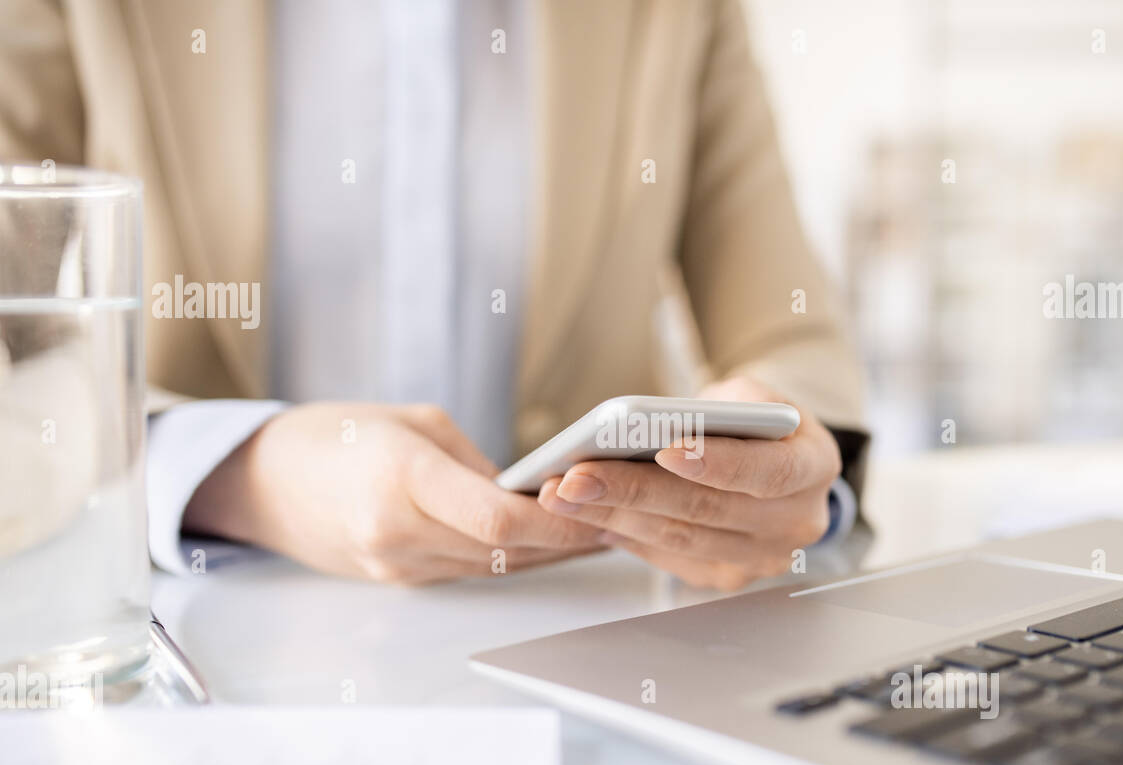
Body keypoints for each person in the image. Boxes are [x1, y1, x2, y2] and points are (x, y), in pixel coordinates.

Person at [1, 0, 866, 590]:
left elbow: (792, 337)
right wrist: (236, 472)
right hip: (189, 646)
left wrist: (784, 482)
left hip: (581, 637)